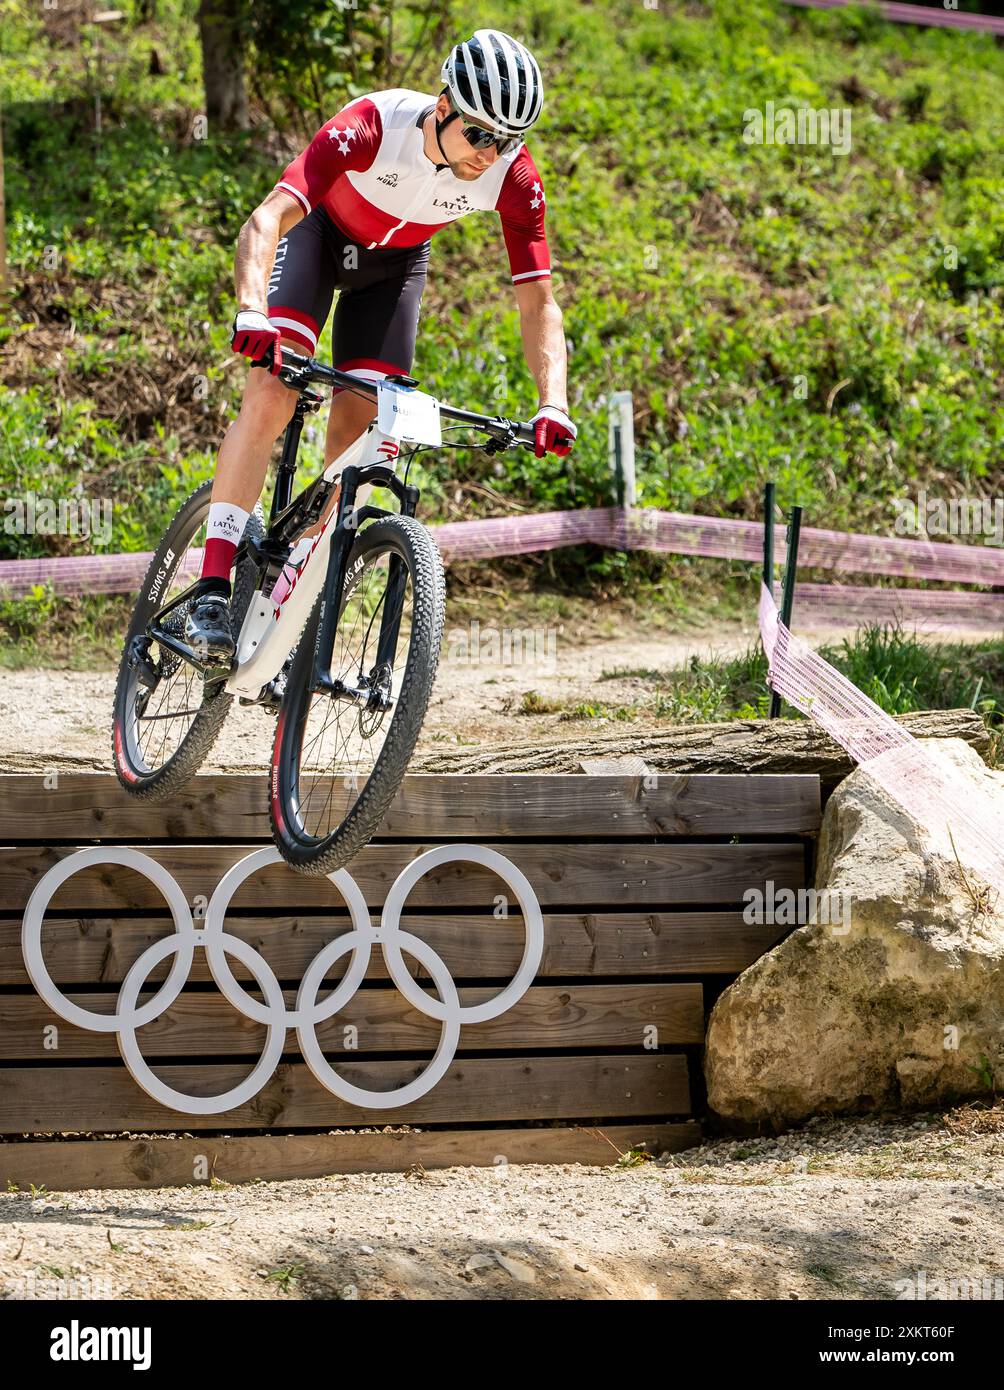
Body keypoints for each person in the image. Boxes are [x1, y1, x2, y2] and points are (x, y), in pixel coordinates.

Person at [185, 28, 576, 660]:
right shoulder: (371, 125)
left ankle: (287, 604)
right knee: (272, 393)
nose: (488, 153)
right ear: (442, 106)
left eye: (506, 140)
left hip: (393, 269)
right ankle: (210, 583)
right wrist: (252, 312)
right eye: (478, 133)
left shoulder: (514, 177)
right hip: (317, 239)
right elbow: (266, 218)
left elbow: (538, 300)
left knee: (360, 447)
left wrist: (551, 402)